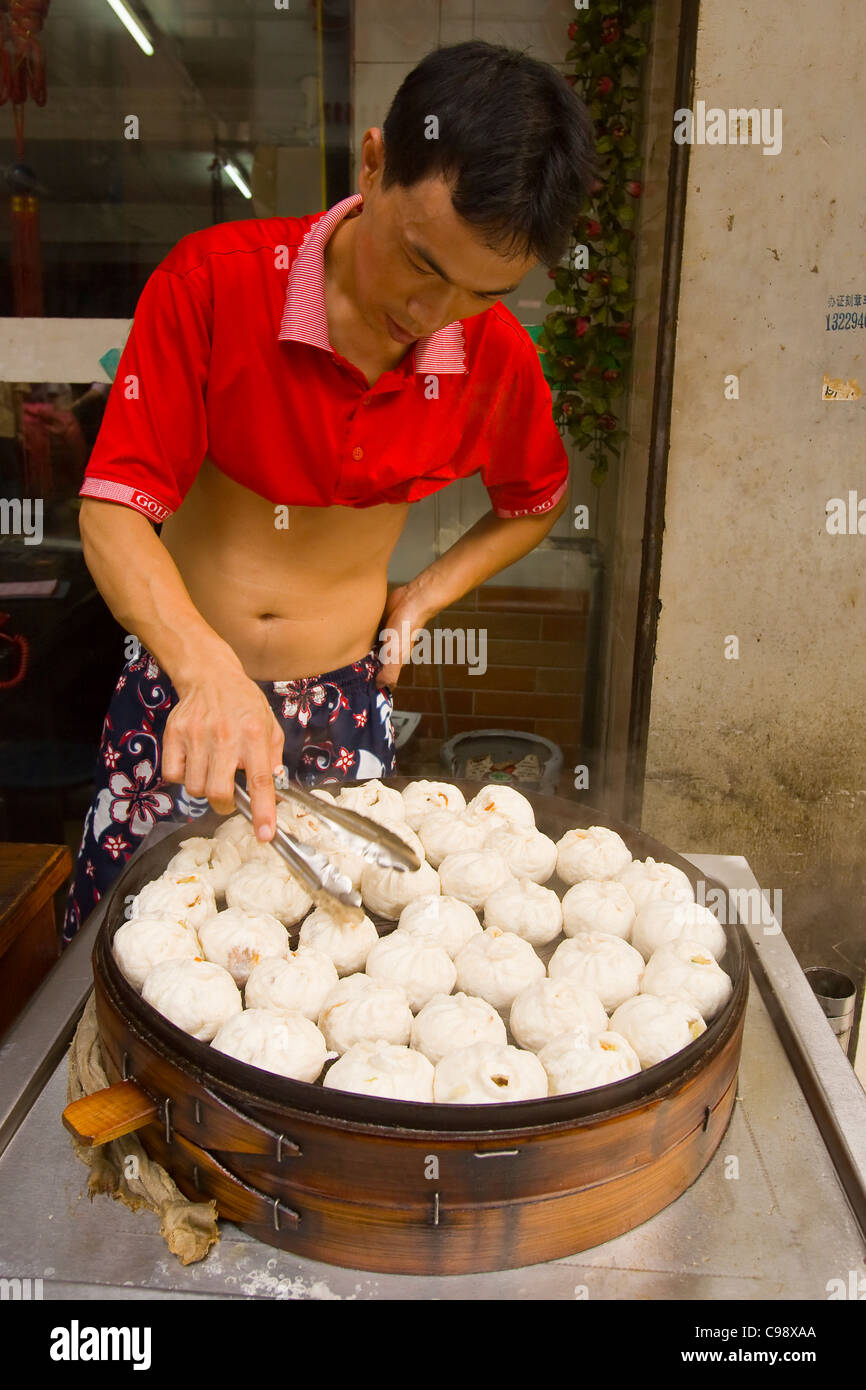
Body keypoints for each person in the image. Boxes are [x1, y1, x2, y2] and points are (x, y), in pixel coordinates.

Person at [63, 40, 594, 942]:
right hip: (182, 692)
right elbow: (112, 510)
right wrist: (207, 668)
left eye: (482, 292)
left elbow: (536, 498)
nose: (434, 317)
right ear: (376, 160)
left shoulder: (491, 354)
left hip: (343, 704)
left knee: (325, 957)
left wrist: (424, 596)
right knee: (132, 941)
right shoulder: (216, 284)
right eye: (424, 264)